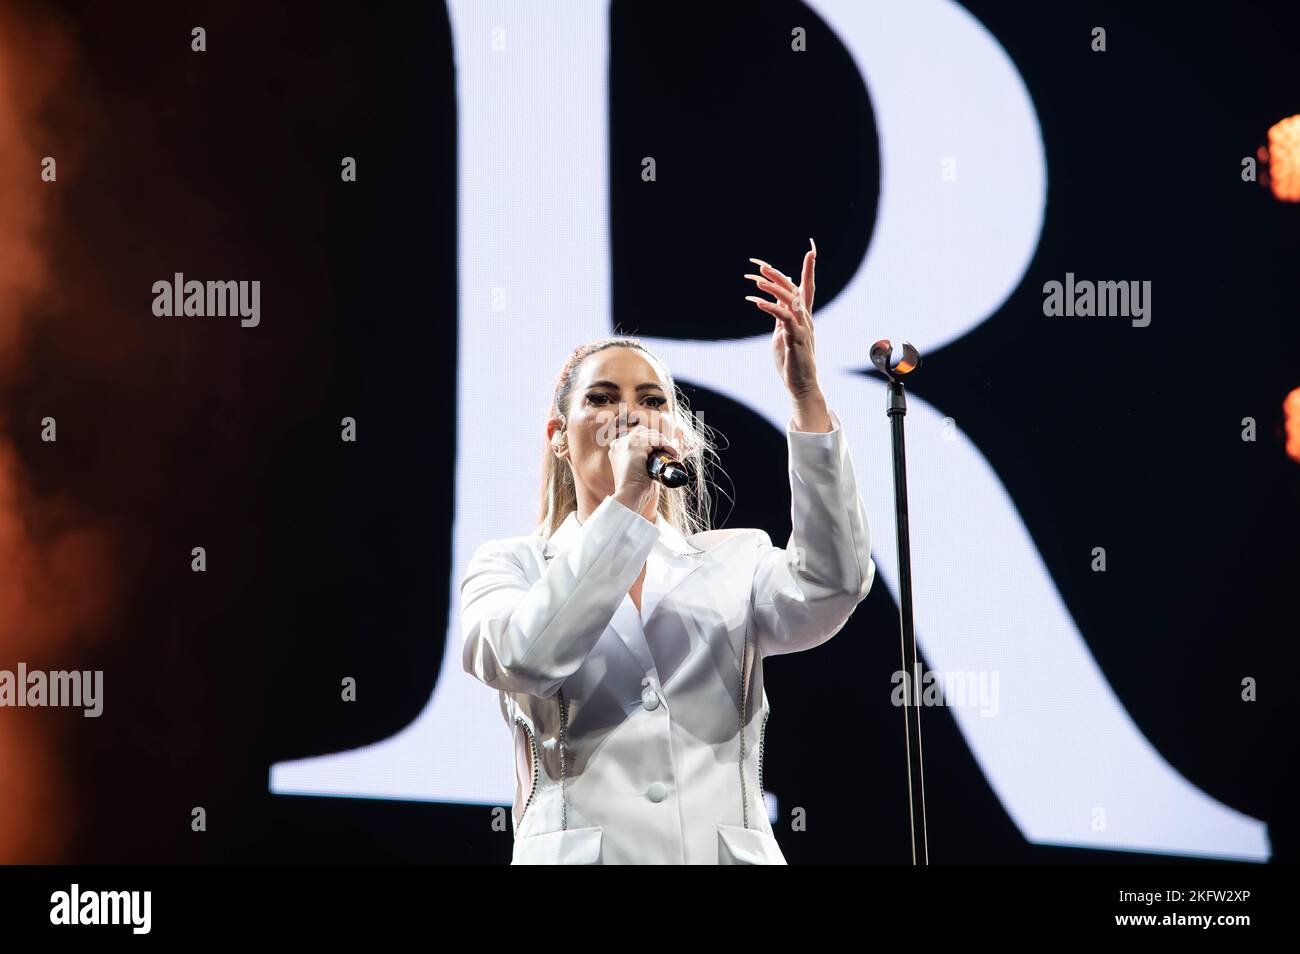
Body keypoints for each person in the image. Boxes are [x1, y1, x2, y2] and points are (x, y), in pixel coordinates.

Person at [460, 240, 875, 863]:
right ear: (558, 438)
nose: (629, 415)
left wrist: (806, 398)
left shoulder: (734, 562)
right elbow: (526, 656)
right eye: (602, 398)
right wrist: (628, 503)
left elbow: (835, 584)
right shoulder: (510, 566)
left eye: (652, 401)